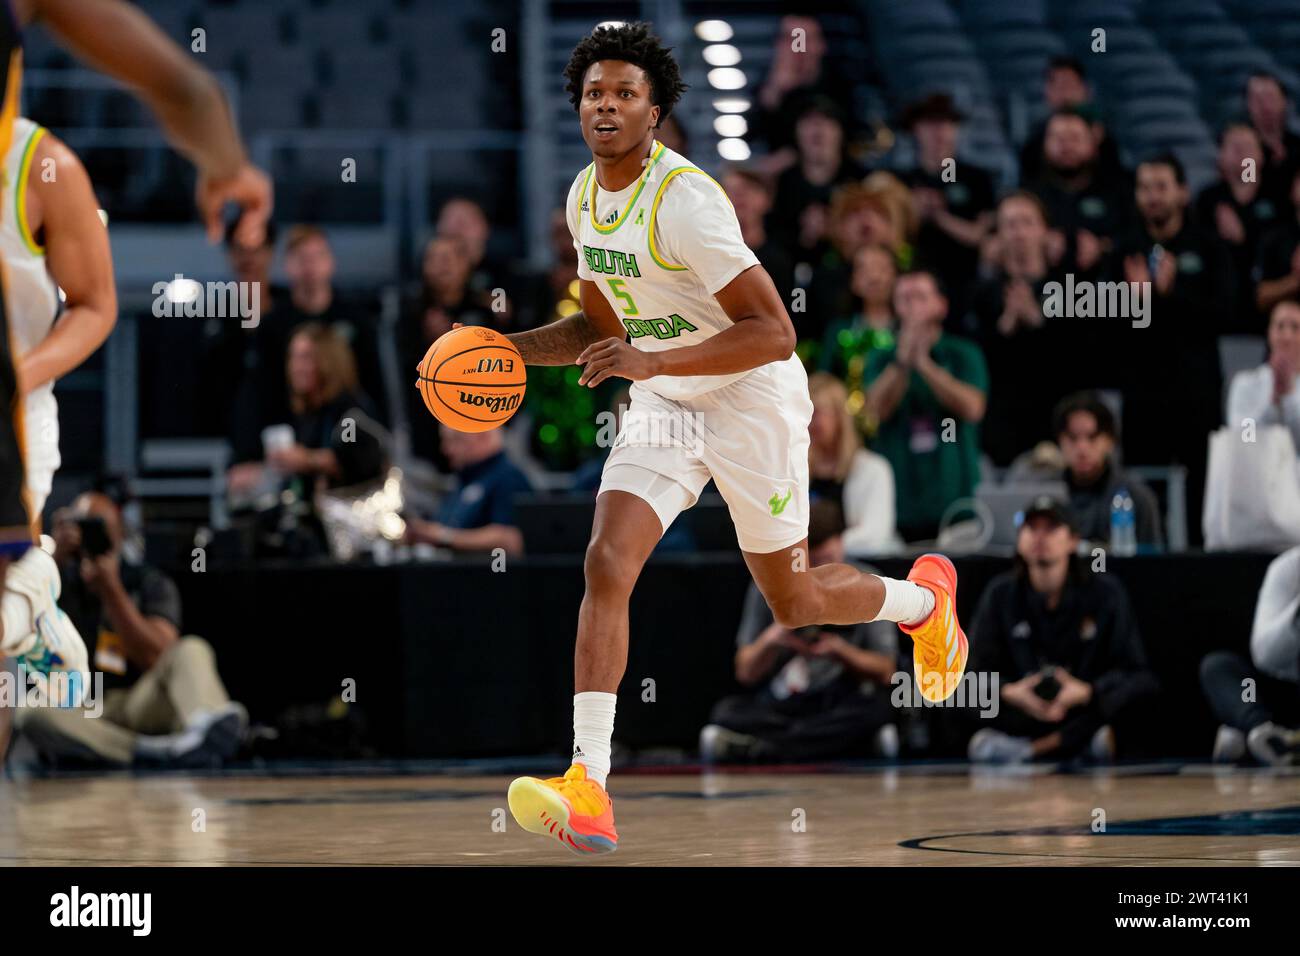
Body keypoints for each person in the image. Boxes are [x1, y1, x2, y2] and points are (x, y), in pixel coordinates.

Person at [501, 23, 967, 855]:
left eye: (625, 95)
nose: (605, 106)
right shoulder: (581, 199)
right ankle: (590, 783)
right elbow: (599, 329)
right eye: (593, 94)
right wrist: (505, 352)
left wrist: (651, 357)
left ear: (656, 113)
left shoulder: (687, 201)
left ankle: (928, 604)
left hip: (751, 399)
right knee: (607, 560)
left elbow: (775, 331)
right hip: (666, 402)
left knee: (795, 601)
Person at [0, 0, 272, 712]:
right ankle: (25, 615)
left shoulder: (42, 165)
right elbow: (187, 93)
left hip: (13, 413)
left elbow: (96, 305)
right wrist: (228, 164)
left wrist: (15, 376)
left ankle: (23, 613)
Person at [14, 493, 247, 768]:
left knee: (191, 648)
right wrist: (51, 563)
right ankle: (152, 751)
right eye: (81, 525)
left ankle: (208, 726)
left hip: (142, 700)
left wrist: (112, 591)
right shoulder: (55, 582)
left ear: (119, 531)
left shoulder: (148, 581)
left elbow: (158, 655)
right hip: (84, 708)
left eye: (97, 526)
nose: (90, 536)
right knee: (31, 710)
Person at [698, 499, 899, 763]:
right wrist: (774, 637)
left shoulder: (869, 582)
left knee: (880, 708)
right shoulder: (769, 584)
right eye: (811, 562)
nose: (819, 571)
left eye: (826, 560)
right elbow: (745, 672)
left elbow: (887, 670)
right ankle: (831, 745)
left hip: (839, 696)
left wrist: (840, 651)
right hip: (785, 701)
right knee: (727, 711)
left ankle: (764, 749)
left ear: (841, 542)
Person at [966, 497, 1159, 764]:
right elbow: (971, 671)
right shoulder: (1000, 594)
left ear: (1073, 540)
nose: (1040, 537)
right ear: (1020, 540)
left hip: (1081, 710)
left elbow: (1136, 673)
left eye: (1051, 528)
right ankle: (1076, 746)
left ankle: (1035, 750)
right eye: (1032, 528)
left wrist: (1086, 691)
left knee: (1136, 695)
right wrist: (1011, 691)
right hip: (1020, 712)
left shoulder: (1104, 592)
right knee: (954, 692)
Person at [864, 270, 988, 542]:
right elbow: (874, 411)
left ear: (941, 305)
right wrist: (902, 364)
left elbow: (973, 408)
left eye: (920, 296)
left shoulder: (963, 353)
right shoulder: (880, 357)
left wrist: (925, 365)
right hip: (899, 507)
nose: (911, 305)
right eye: (904, 298)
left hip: (957, 505)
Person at [967, 191, 1069, 464]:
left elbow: (1080, 358)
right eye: (1010, 224)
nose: (1019, 233)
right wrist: (1007, 324)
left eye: (1027, 222)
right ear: (999, 234)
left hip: (1054, 419)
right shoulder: (982, 293)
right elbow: (973, 362)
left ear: (1045, 231)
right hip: (1000, 422)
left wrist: (1037, 321)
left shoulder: (1068, 288)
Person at [1200, 546, 1300, 765]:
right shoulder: (1286, 568)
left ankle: (1245, 737)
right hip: (1284, 693)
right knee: (1220, 667)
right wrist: (1296, 616)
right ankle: (1261, 732)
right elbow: (1264, 654)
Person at [898, 93, 995, 308]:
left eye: (946, 123)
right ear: (915, 129)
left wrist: (938, 216)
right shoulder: (901, 181)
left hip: (965, 284)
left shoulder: (976, 179)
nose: (938, 132)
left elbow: (980, 235)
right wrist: (912, 211)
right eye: (930, 124)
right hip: (914, 285)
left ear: (956, 129)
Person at [1195, 122, 1282, 332]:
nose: (1242, 153)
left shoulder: (1277, 198)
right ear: (1221, 157)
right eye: (1234, 147)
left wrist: (1244, 237)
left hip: (1267, 309)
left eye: (1248, 147)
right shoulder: (1208, 200)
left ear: (1260, 156)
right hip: (1219, 309)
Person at [1051, 392, 1163, 549]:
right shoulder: (1046, 497)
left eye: (1092, 437)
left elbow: (1152, 565)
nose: (1082, 449)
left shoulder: (1136, 498)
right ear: (1059, 440)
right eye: (1072, 437)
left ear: (1110, 441)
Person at [404, 425, 533, 558]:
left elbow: (510, 539)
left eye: (455, 440)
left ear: (484, 436)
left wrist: (443, 536)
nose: (445, 449)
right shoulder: (466, 478)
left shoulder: (507, 478)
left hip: (489, 574)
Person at [807, 373, 898, 555]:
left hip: (857, 567)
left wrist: (838, 546)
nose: (809, 421)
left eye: (816, 412)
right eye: (804, 413)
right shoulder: (796, 469)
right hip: (803, 569)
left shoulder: (873, 469)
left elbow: (876, 533)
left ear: (839, 417)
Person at [1018, 57, 1124, 186]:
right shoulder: (1033, 145)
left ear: (1085, 89)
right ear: (1047, 92)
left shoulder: (1105, 142)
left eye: (1069, 85)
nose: (1064, 94)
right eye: (1057, 86)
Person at [1226, 299, 1300, 451]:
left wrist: (1288, 397)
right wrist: (1272, 405)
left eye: (1295, 327)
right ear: (1269, 333)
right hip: (1258, 472)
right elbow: (1243, 438)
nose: (1287, 336)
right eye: (1280, 326)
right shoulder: (1246, 384)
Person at [1245, 72, 1300, 210]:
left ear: (1284, 101)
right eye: (1257, 99)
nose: (1264, 105)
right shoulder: (1243, 150)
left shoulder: (1297, 146)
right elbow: (1245, 187)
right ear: (1248, 105)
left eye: (1270, 98)